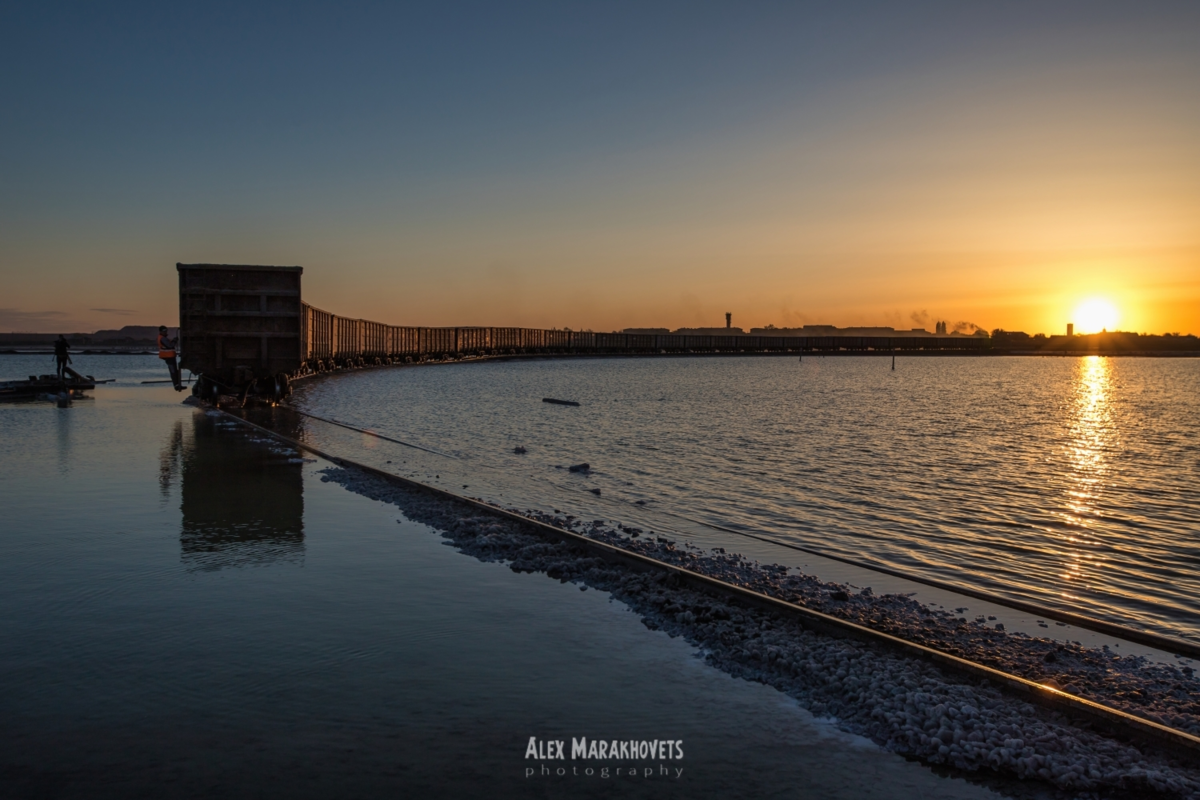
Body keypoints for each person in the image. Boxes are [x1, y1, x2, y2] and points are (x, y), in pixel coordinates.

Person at [157, 326, 183, 391]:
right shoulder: (163, 338)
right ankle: (176, 385)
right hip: (168, 357)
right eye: (164, 331)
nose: (165, 332)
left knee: (174, 371)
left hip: (170, 357)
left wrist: (173, 340)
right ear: (160, 331)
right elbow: (170, 346)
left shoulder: (163, 338)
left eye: (166, 331)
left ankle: (177, 384)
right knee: (173, 371)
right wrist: (174, 341)